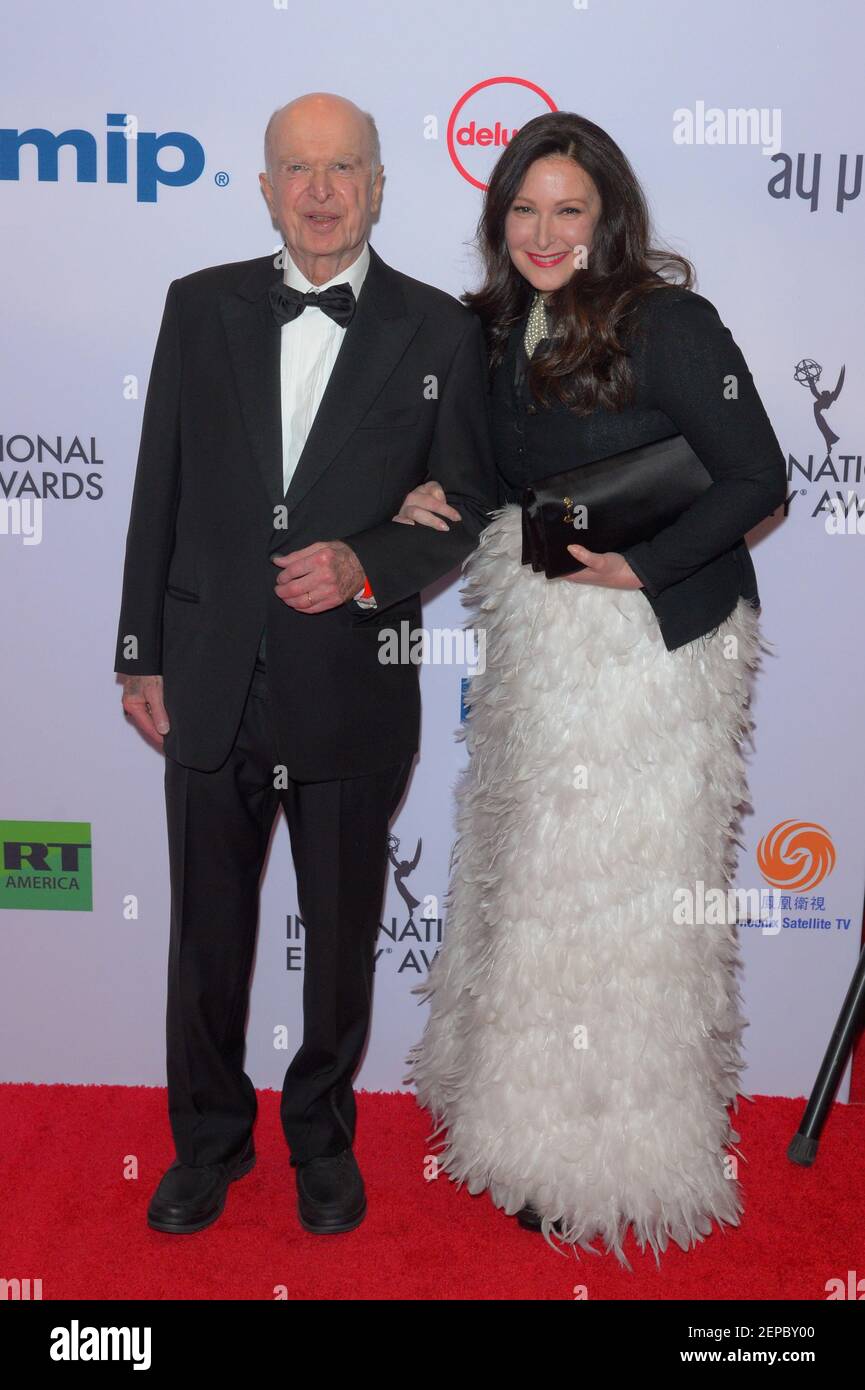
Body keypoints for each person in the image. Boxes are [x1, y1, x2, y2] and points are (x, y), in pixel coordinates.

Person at [400, 111, 786, 1267]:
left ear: (607, 217)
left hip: (657, 653)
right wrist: (429, 499)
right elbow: (485, 479)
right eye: (523, 209)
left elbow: (758, 476)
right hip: (545, 651)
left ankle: (612, 1157)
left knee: (621, 907)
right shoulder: (491, 330)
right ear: (497, 219)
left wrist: (641, 565)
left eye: (568, 209)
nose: (544, 231)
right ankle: (514, 1125)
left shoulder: (667, 322)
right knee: (533, 890)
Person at [114, 92, 497, 1236]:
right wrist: (142, 648)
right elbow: (158, 488)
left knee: (338, 944)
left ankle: (320, 1138)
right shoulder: (198, 307)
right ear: (266, 186)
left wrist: (365, 560)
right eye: (298, 168)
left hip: (350, 676)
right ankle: (207, 1143)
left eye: (344, 168)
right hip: (209, 671)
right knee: (206, 940)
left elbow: (466, 502)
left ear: (380, 185)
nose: (321, 190)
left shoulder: (439, 332)